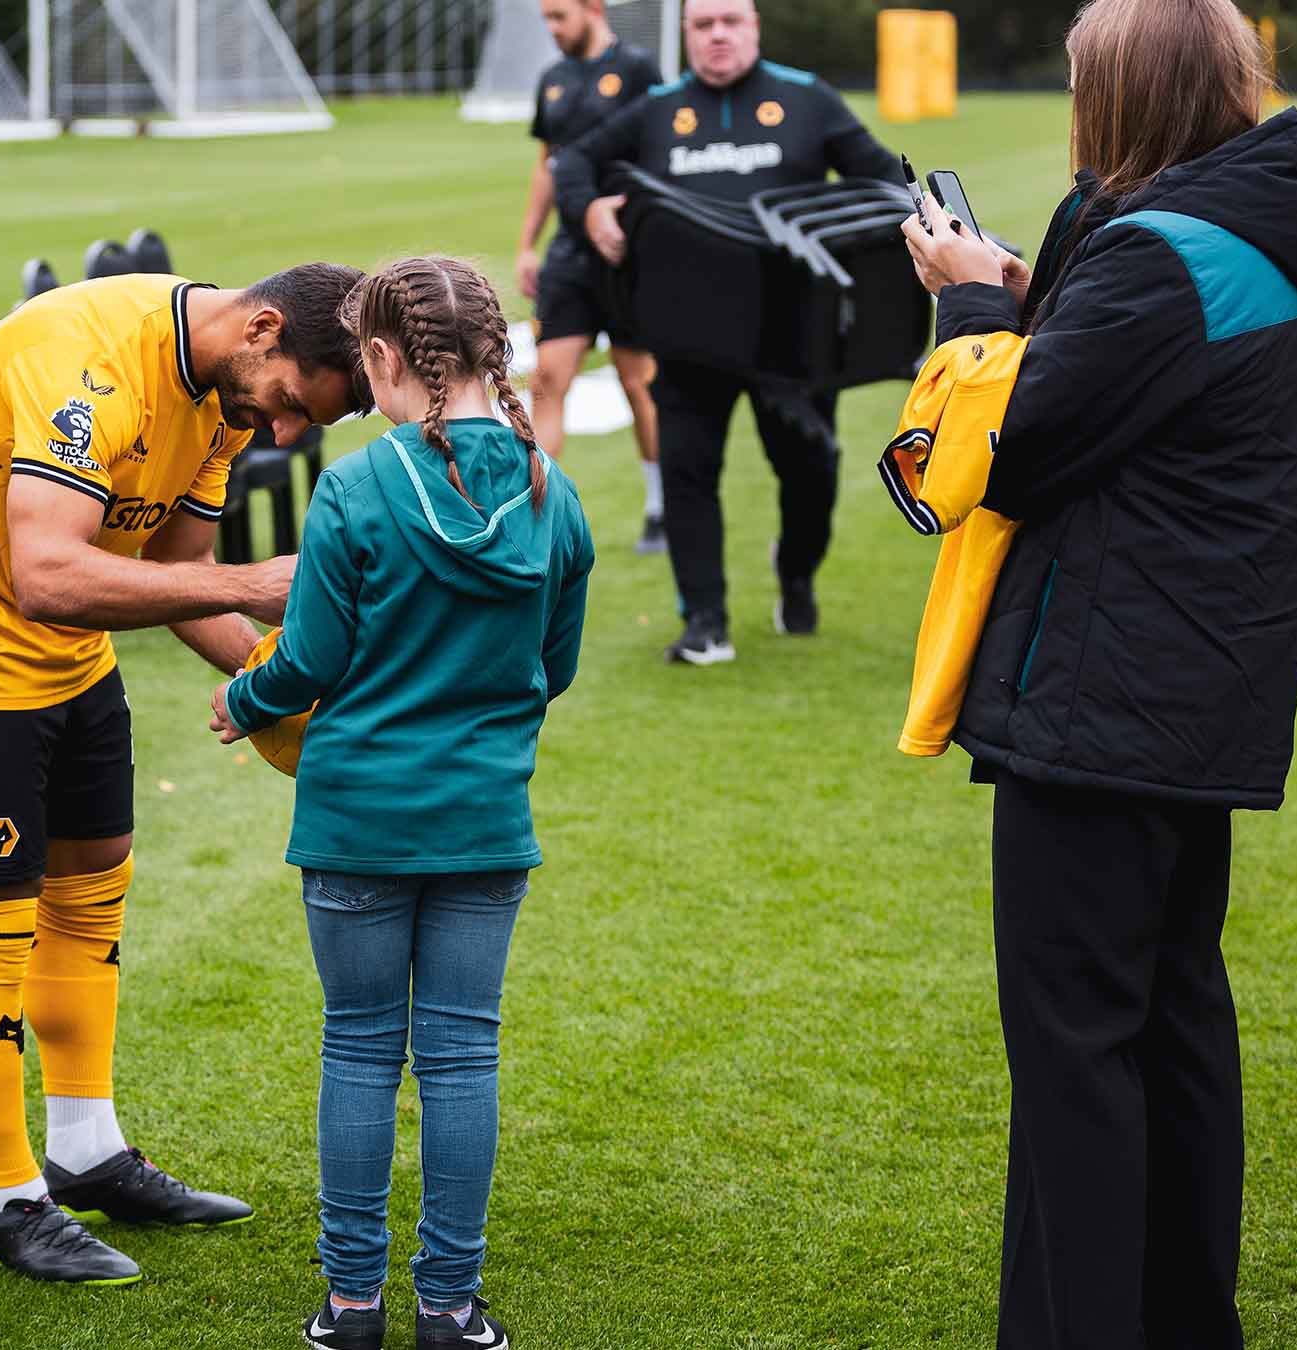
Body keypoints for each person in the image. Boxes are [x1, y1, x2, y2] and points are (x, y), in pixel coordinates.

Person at [894, 0, 1297, 1342]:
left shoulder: (1164, 254)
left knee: (1078, 1055)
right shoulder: (1260, 218)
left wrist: (973, 305)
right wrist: (1041, 291)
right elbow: (1144, 365)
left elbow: (1012, 449)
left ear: (1125, 99)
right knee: (1170, 1025)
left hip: (1106, 700)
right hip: (1194, 687)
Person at [0, 263, 371, 1286]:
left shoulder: (226, 387)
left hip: (73, 652)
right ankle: (7, 1202)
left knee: (96, 881)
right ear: (263, 330)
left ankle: (85, 1151)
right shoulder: (85, 361)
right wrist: (265, 584)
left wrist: (285, 685)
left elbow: (174, 577)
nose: (279, 434)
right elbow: (47, 574)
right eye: (285, 405)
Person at [209, 256, 592, 1350]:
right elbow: (549, 670)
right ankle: (450, 1307)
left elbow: (309, 661)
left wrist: (244, 697)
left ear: (379, 360)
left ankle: (350, 1305)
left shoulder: (357, 486)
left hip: (358, 817)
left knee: (362, 1049)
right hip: (482, 817)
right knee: (465, 1053)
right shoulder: (547, 490)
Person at [553, 0, 899, 663]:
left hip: (794, 340)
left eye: (730, 22)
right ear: (685, 35)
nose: (717, 36)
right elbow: (572, 163)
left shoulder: (807, 99)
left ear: (755, 27)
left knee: (810, 469)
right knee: (688, 472)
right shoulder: (659, 108)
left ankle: (796, 573)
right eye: (703, 25)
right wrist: (589, 210)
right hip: (689, 333)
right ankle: (704, 624)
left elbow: (882, 179)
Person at [514, 0, 664, 552]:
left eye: (560, 17)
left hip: (629, 254)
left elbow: (661, 148)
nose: (552, 29)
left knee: (638, 383)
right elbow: (547, 165)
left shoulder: (639, 70)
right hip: (569, 256)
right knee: (548, 381)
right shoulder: (551, 80)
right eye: (546, 19)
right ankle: (533, 514)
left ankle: (659, 506)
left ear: (593, 9)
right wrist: (527, 244)